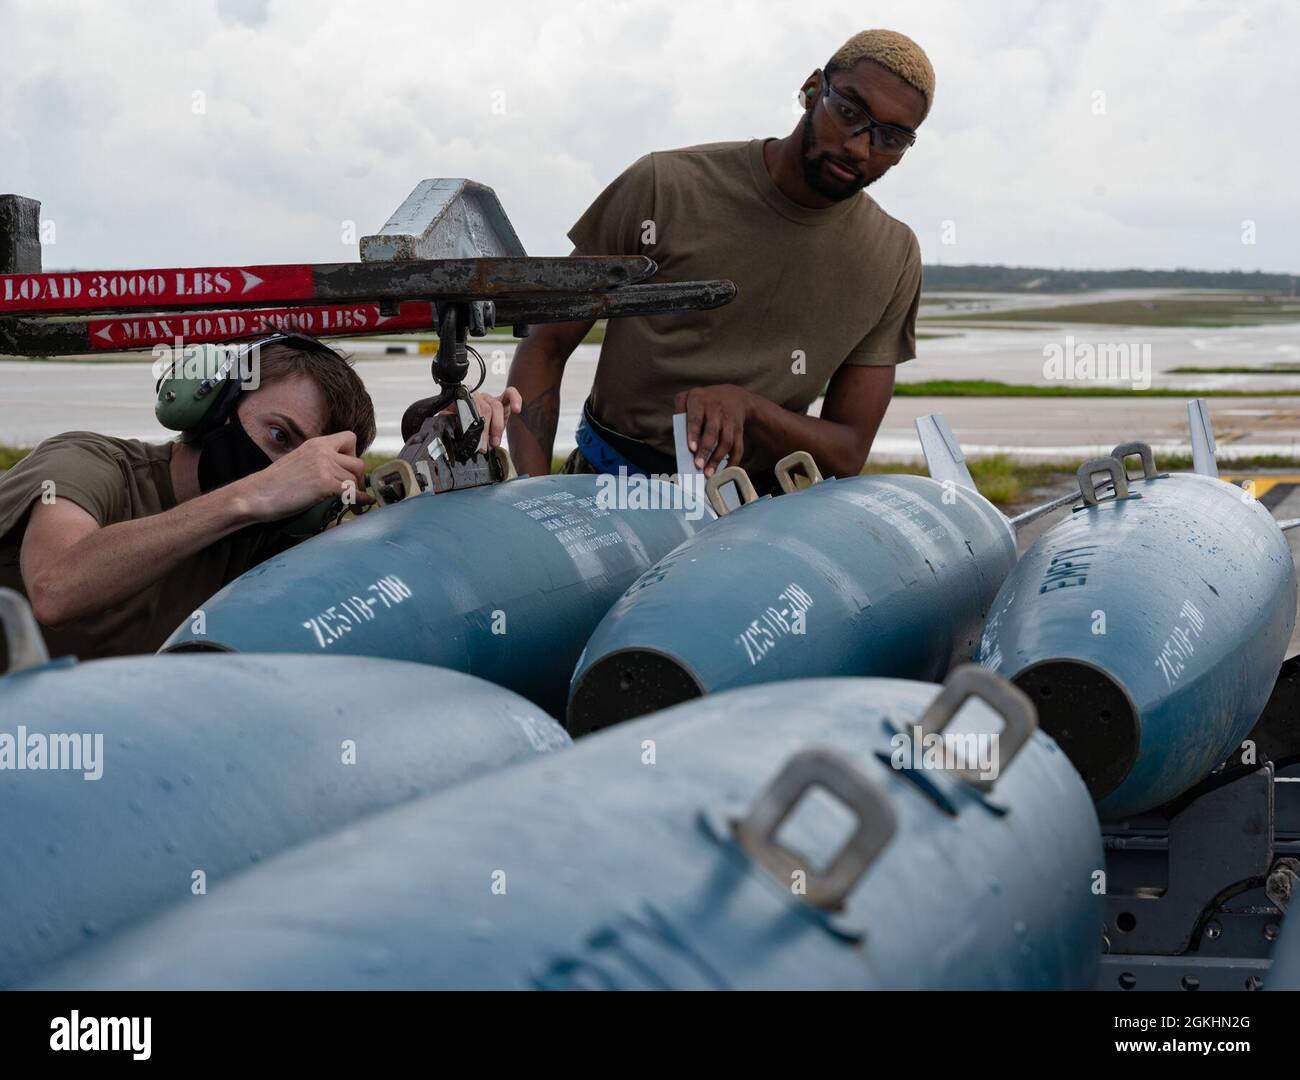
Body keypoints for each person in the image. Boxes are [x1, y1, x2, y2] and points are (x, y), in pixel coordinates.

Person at [508, 28, 933, 489]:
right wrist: (532, 495)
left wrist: (752, 411)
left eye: (888, 138)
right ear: (812, 91)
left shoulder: (894, 255)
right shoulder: (664, 186)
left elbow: (848, 451)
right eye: (848, 112)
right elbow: (544, 347)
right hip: (608, 486)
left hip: (757, 513)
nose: (858, 146)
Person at [0, 333, 520, 663]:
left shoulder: (270, 537)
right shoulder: (84, 463)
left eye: (304, 458)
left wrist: (454, 448)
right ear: (213, 408)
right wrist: (254, 493)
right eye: (278, 436)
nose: (287, 469)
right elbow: (56, 587)